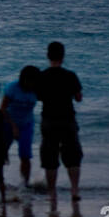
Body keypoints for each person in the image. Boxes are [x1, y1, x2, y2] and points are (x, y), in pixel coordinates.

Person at [38, 41, 83, 204]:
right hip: (68, 118)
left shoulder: (41, 76)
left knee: (50, 157)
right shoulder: (70, 75)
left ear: (48, 56)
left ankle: (52, 192)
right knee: (73, 156)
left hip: (49, 119)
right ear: (63, 56)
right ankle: (74, 189)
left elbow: (38, 97)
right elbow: (78, 98)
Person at [0, 65, 40, 189]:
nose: (32, 84)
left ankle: (25, 184)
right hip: (8, 122)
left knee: (25, 156)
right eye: (30, 81)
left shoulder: (37, 89)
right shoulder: (12, 88)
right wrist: (13, 127)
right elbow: (2, 109)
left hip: (26, 124)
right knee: (0, 154)